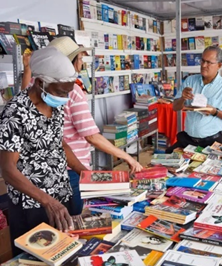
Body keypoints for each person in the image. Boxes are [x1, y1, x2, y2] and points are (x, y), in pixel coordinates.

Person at [21, 36, 143, 216]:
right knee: (73, 222)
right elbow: (91, 136)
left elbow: (58, 139)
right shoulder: (72, 91)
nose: (81, 63)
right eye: (79, 59)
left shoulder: (36, 87)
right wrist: (128, 157)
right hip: (70, 172)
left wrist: (26, 70)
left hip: (48, 172)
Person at [0, 47, 87, 255]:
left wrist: (85, 172)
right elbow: (8, 169)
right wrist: (47, 200)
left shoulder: (55, 106)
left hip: (60, 195)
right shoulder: (15, 113)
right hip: (32, 204)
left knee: (66, 254)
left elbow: (59, 144)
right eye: (61, 92)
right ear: (40, 83)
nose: (65, 97)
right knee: (35, 260)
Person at [166, 46, 222, 153]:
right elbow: (175, 107)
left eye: (209, 62)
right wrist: (182, 98)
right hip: (188, 140)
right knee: (168, 156)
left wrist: (214, 111)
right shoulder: (190, 80)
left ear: (219, 65)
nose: (203, 65)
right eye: (202, 61)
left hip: (212, 141)